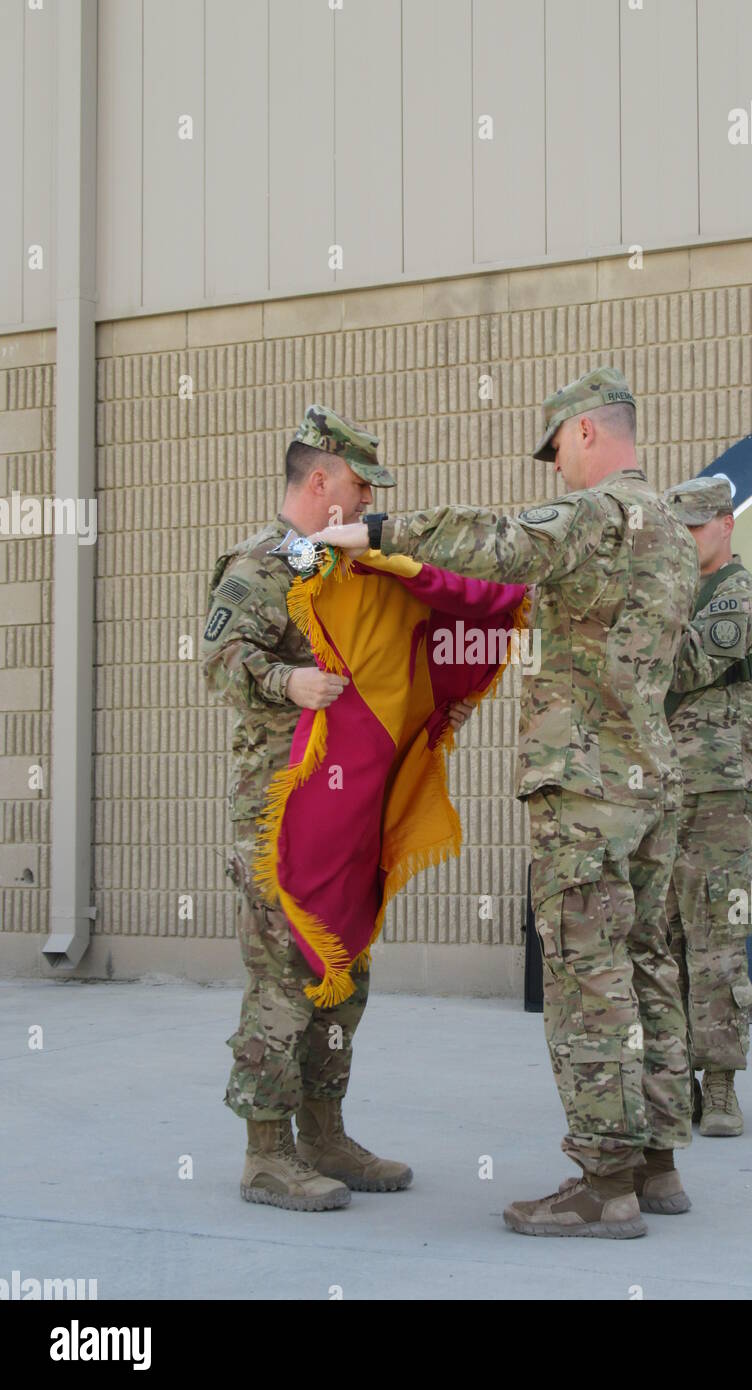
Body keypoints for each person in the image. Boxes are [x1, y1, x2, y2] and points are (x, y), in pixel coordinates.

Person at [313, 367, 699, 1239]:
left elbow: (500, 543)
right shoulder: (674, 531)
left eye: (556, 447)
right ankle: (657, 1165)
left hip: (586, 788)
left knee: (585, 976)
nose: (556, 466)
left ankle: (603, 1186)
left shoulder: (597, 513)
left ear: (588, 431)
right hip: (650, 786)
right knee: (646, 966)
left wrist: (379, 530)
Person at [201, 404, 472, 1212]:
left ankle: (323, 1135)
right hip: (280, 817)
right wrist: (286, 681)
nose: (367, 500)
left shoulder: (349, 565)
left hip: (347, 813)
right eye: (359, 484)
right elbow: (220, 656)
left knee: (342, 974)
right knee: (284, 975)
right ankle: (265, 1153)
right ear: (319, 479)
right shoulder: (262, 562)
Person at [663, 476, 752, 1136]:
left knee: (715, 946)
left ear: (726, 524)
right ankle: (672, 1081)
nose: (686, 539)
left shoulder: (741, 597)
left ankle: (721, 1085)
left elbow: (683, 666)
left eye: (697, 527)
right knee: (660, 942)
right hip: (658, 794)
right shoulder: (669, 593)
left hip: (719, 798)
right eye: (677, 529)